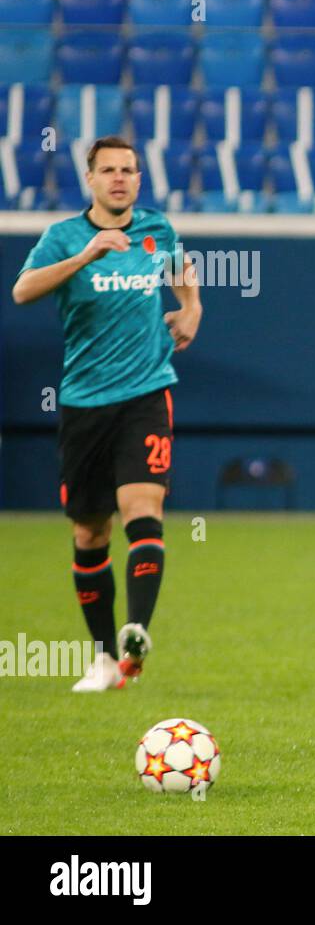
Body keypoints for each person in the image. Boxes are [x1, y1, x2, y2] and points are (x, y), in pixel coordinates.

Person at [11, 135, 201, 692]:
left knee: (143, 506)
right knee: (91, 532)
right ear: (89, 180)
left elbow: (180, 266)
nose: (120, 178)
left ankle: (135, 634)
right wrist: (86, 256)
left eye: (129, 170)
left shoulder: (155, 228)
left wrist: (192, 305)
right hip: (84, 403)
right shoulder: (63, 237)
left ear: (139, 180)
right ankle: (102, 659)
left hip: (147, 392)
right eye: (109, 170)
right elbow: (22, 291)